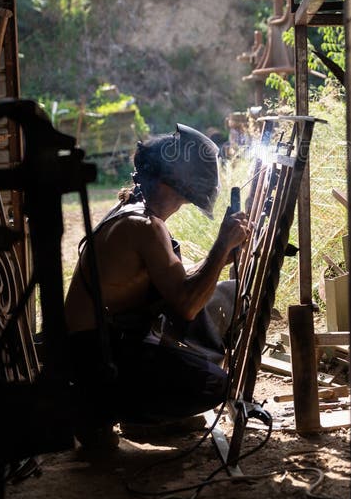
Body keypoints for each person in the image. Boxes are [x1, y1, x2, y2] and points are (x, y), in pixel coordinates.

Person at [64, 124, 249, 448]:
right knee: (212, 383)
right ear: (169, 183)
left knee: (210, 309)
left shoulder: (133, 211)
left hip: (92, 349)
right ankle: (114, 414)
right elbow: (186, 302)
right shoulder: (144, 226)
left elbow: (172, 278)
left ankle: (111, 411)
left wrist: (218, 258)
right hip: (94, 359)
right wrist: (221, 247)